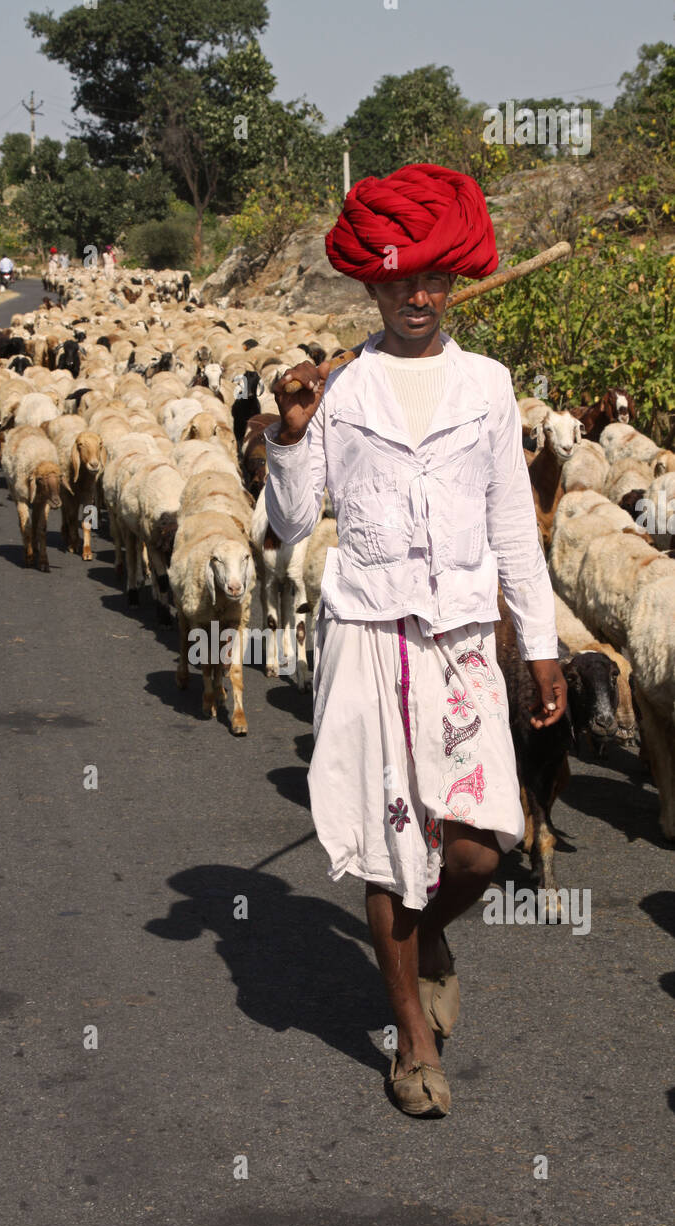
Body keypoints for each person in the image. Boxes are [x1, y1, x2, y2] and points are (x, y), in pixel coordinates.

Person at [264, 163, 565, 1119]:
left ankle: (429, 937)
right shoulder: (341, 391)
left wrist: (545, 643)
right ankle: (411, 1038)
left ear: (454, 281)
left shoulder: (488, 383)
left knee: (483, 844)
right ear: (371, 287)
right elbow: (287, 522)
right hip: (368, 635)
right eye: (397, 282)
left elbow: (513, 521)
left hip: (466, 640)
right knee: (393, 850)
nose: (416, 298)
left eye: (431, 280)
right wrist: (287, 431)